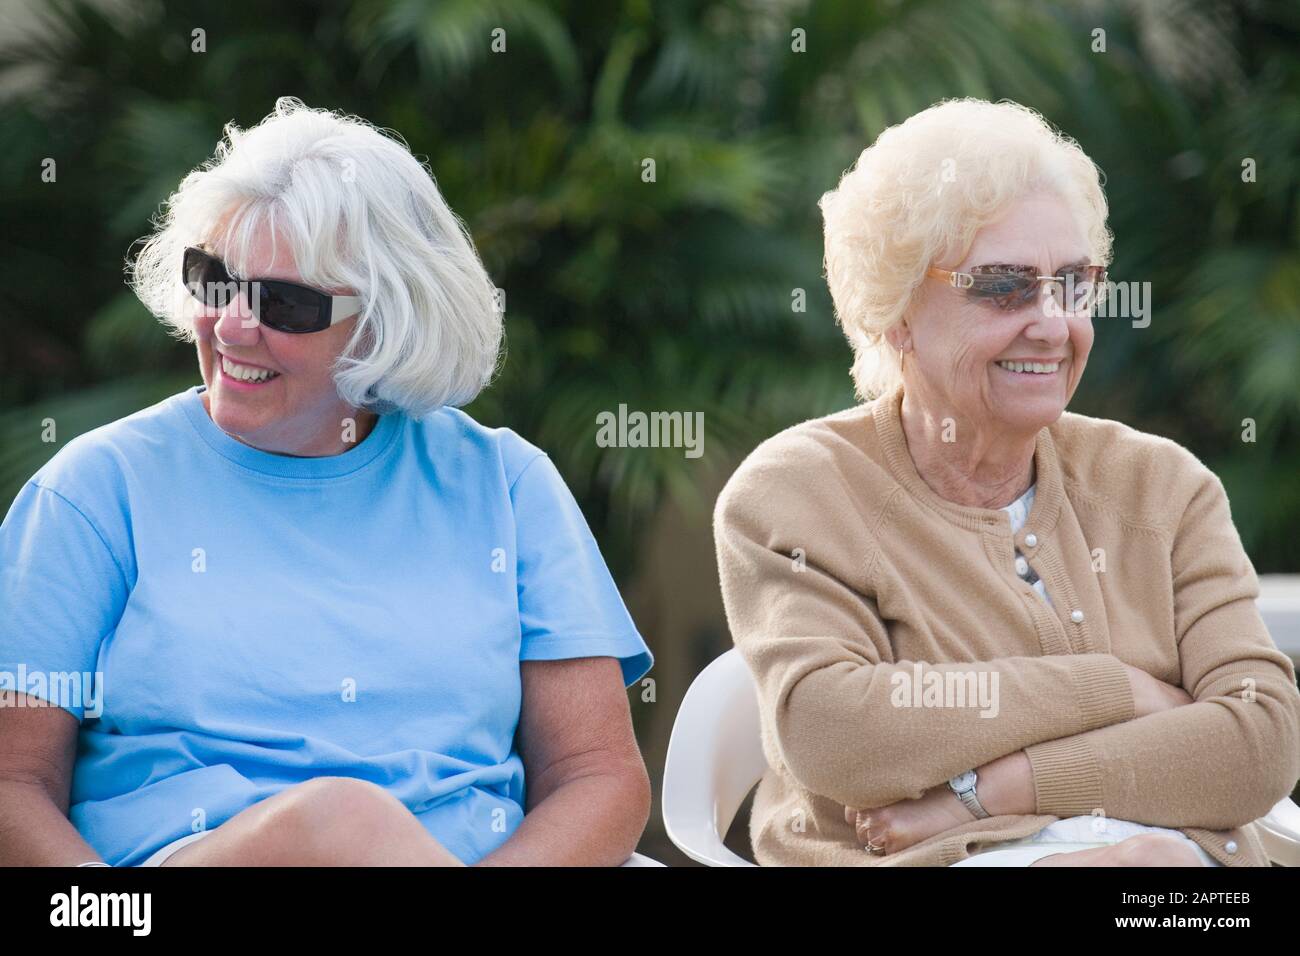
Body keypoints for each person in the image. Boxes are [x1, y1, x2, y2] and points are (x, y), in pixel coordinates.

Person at [0, 97, 653, 867]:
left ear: (386, 322)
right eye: (214, 280)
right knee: (339, 822)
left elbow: (597, 774)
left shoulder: (506, 484)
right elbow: (13, 783)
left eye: (285, 302)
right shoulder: (93, 490)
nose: (234, 324)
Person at [712, 98, 1300, 867]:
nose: (1053, 325)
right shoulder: (798, 494)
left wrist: (1004, 785)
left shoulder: (1164, 486)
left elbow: (1260, 743)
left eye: (1073, 283)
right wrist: (1116, 689)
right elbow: (835, 732)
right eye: (1003, 287)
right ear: (894, 313)